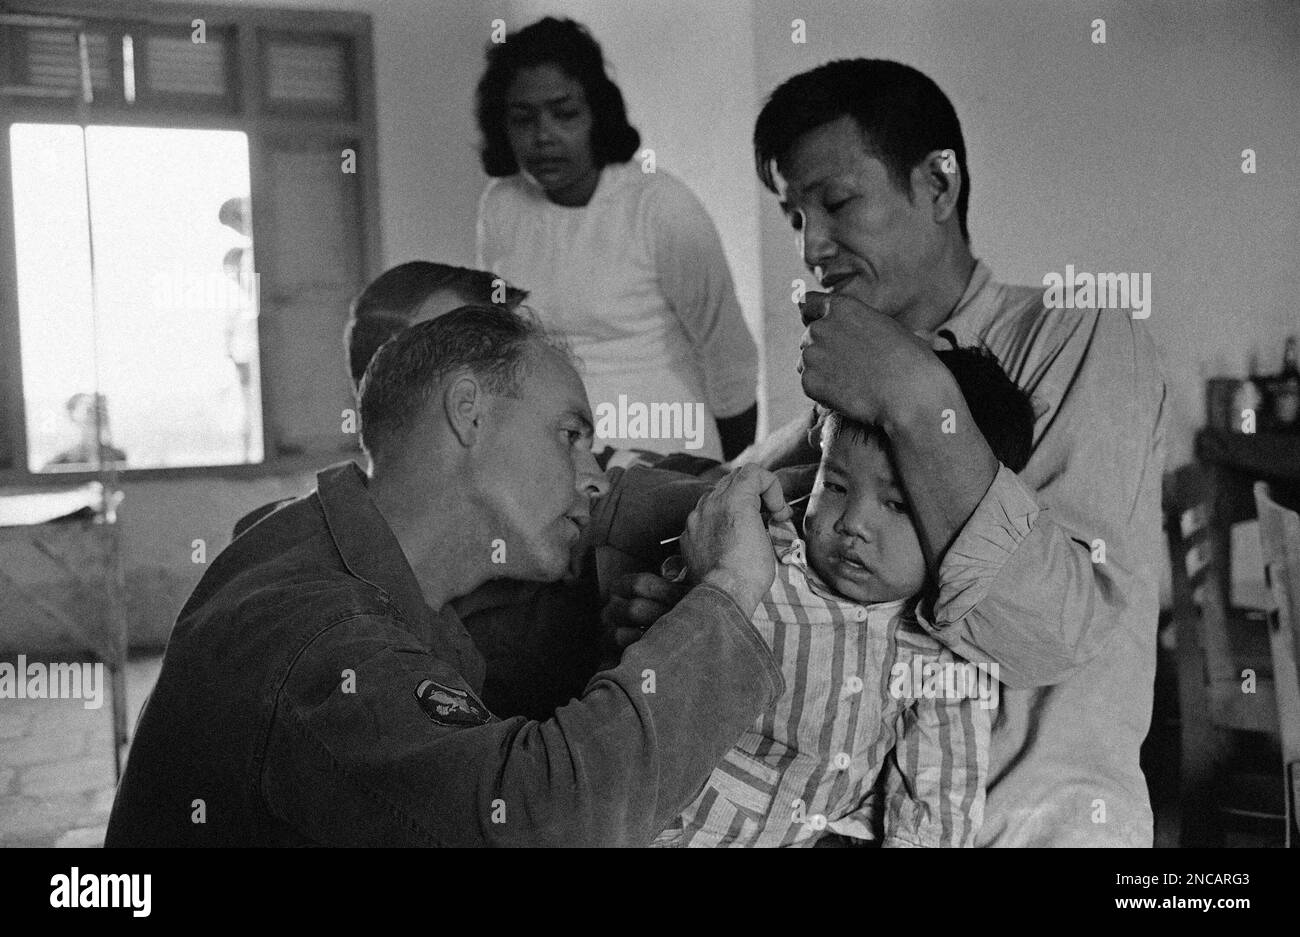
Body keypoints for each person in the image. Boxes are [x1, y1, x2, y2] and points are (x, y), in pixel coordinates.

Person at [106, 305, 789, 847]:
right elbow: (538, 823)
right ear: (469, 411)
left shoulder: (329, 546)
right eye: (570, 434)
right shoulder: (321, 633)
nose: (593, 474)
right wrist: (728, 589)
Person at [735, 59, 1168, 846]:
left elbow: (1052, 632)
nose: (812, 247)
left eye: (835, 202)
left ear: (939, 184)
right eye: (795, 217)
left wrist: (917, 396)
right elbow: (756, 491)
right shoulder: (858, 379)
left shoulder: (1082, 332)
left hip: (1034, 826)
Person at [655, 344, 1033, 847]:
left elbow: (938, 799)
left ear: (961, 524)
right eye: (834, 485)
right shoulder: (758, 568)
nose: (853, 523)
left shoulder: (943, 657)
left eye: (896, 504)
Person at [475, 16, 759, 462]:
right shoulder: (502, 205)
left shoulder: (661, 206)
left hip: (664, 450)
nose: (543, 135)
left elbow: (730, 357)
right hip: (553, 448)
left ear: (597, 115)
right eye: (522, 119)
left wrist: (730, 473)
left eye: (564, 113)